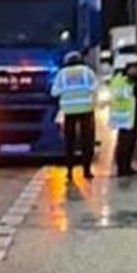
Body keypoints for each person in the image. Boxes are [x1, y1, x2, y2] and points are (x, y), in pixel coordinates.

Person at [49, 50, 98, 181]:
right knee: (87, 141)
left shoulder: (62, 74)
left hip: (69, 111)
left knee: (69, 142)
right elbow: (94, 87)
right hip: (86, 110)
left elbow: (54, 92)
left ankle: (69, 171)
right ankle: (87, 171)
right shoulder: (87, 72)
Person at [108, 62, 137, 176]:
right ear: (128, 69)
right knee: (124, 144)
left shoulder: (136, 81)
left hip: (133, 117)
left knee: (131, 144)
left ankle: (127, 167)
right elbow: (119, 95)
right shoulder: (120, 80)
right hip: (124, 118)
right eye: (135, 68)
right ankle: (122, 168)